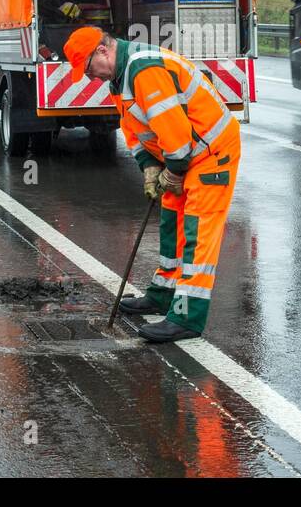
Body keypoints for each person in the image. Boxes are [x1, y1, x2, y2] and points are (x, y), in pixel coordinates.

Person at [62, 26, 240, 343]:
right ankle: (163, 294)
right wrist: (148, 166)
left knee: (197, 233)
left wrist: (171, 170)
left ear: (103, 50)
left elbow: (175, 133)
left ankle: (186, 317)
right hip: (184, 154)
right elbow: (134, 129)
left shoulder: (144, 69)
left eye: (89, 69)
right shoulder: (119, 79)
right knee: (171, 220)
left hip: (210, 153)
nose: (91, 78)